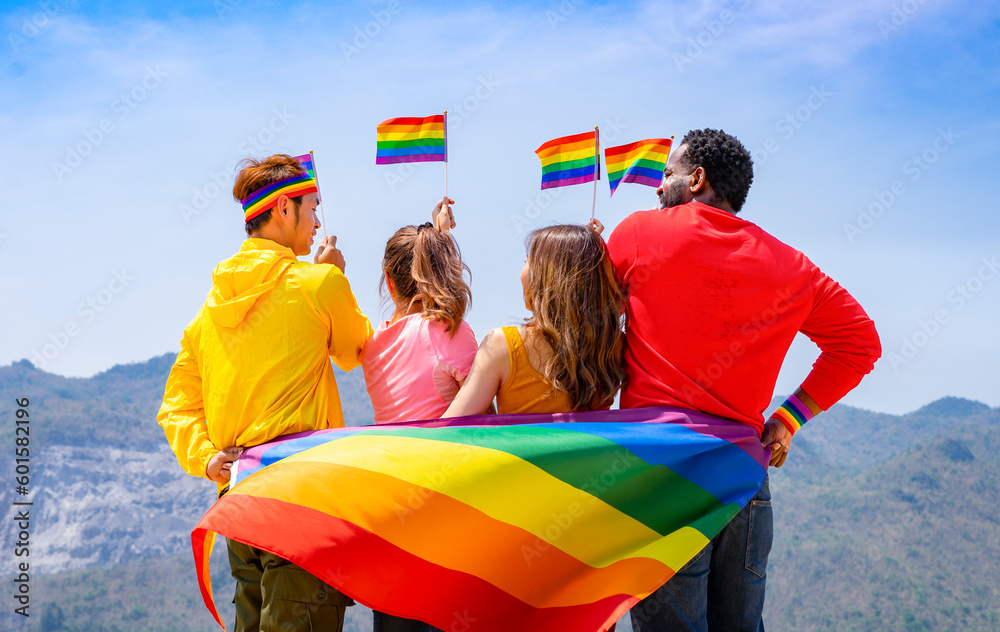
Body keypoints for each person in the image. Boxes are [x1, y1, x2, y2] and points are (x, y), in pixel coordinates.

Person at [605, 129, 882, 632]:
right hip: (744, 478)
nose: (658, 186)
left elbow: (579, 318)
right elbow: (861, 344)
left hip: (661, 476)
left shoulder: (638, 233)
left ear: (697, 179)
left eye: (667, 174)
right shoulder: (791, 265)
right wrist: (788, 419)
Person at [157, 153, 373, 632]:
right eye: (312, 208)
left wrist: (208, 459)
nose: (317, 222)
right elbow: (356, 350)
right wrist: (335, 276)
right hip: (303, 497)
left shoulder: (207, 315)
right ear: (283, 209)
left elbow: (176, 406)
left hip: (240, 500)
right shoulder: (318, 283)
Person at [360, 198, 476, 632]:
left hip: (390, 505)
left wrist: (440, 239)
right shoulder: (450, 332)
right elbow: (485, 413)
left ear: (388, 281)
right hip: (445, 505)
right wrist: (441, 243)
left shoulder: (372, 346)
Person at [443, 222, 627, 417]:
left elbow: (450, 425)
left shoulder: (503, 345)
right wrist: (587, 257)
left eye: (527, 261)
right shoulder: (614, 345)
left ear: (545, 277)